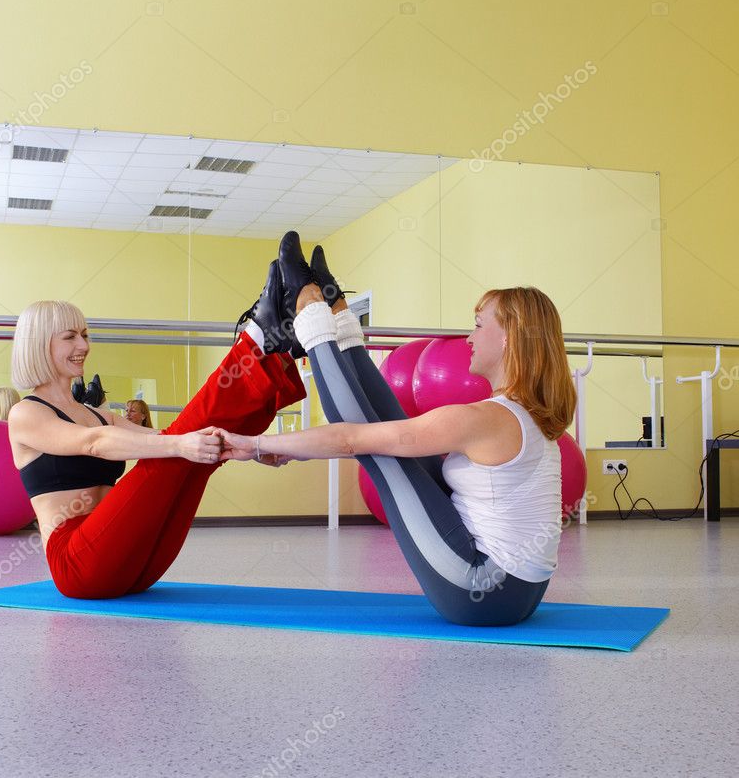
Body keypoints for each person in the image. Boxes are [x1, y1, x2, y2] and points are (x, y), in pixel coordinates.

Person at [216, 232, 574, 626]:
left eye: (477, 325)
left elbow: (351, 439)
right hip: (521, 594)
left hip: (482, 594)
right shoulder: (525, 414)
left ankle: (307, 307)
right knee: (400, 438)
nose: (469, 338)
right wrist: (284, 446)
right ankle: (336, 313)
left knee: (380, 450)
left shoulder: (485, 419)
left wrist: (254, 443)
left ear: (508, 337)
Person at [7, 257, 306, 599]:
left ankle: (275, 351)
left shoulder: (97, 413)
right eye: (70, 337)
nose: (84, 346)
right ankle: (256, 343)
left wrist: (250, 448)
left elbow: (175, 436)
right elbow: (94, 443)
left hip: (136, 561)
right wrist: (180, 446)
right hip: (78, 566)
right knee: (176, 452)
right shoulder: (26, 414)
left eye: (85, 335)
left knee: (193, 454)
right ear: (40, 343)